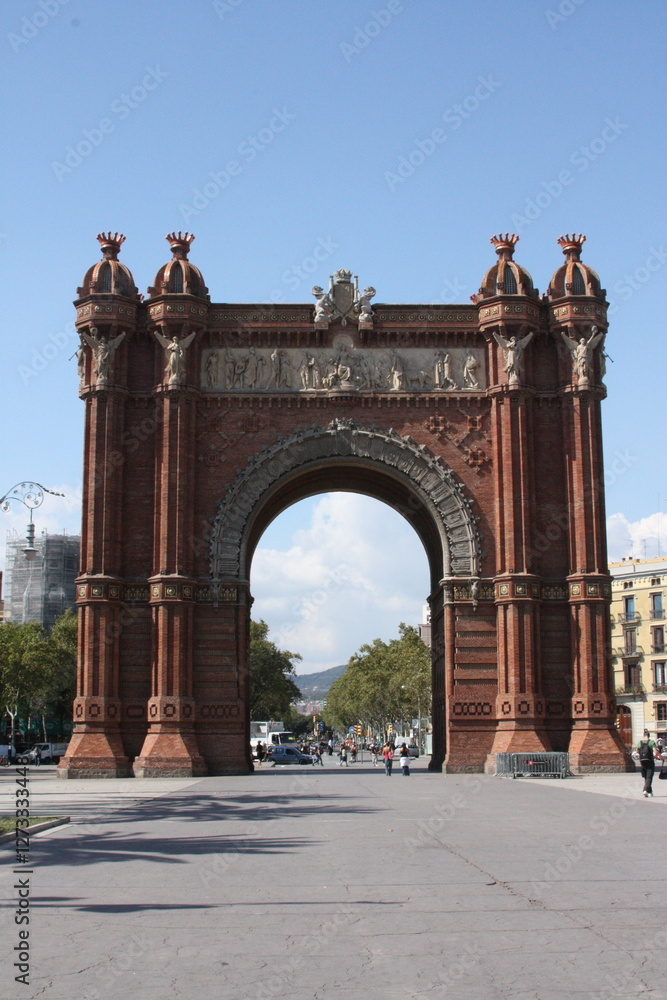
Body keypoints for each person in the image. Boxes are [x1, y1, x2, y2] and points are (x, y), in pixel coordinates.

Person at [637, 731, 656, 797]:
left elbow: (637, 751)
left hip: (642, 761)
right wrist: (660, 756)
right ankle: (645, 790)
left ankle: (649, 792)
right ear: (649, 735)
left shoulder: (640, 743)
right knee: (649, 776)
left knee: (646, 776)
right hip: (650, 761)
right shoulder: (651, 742)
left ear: (643, 735)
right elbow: (655, 752)